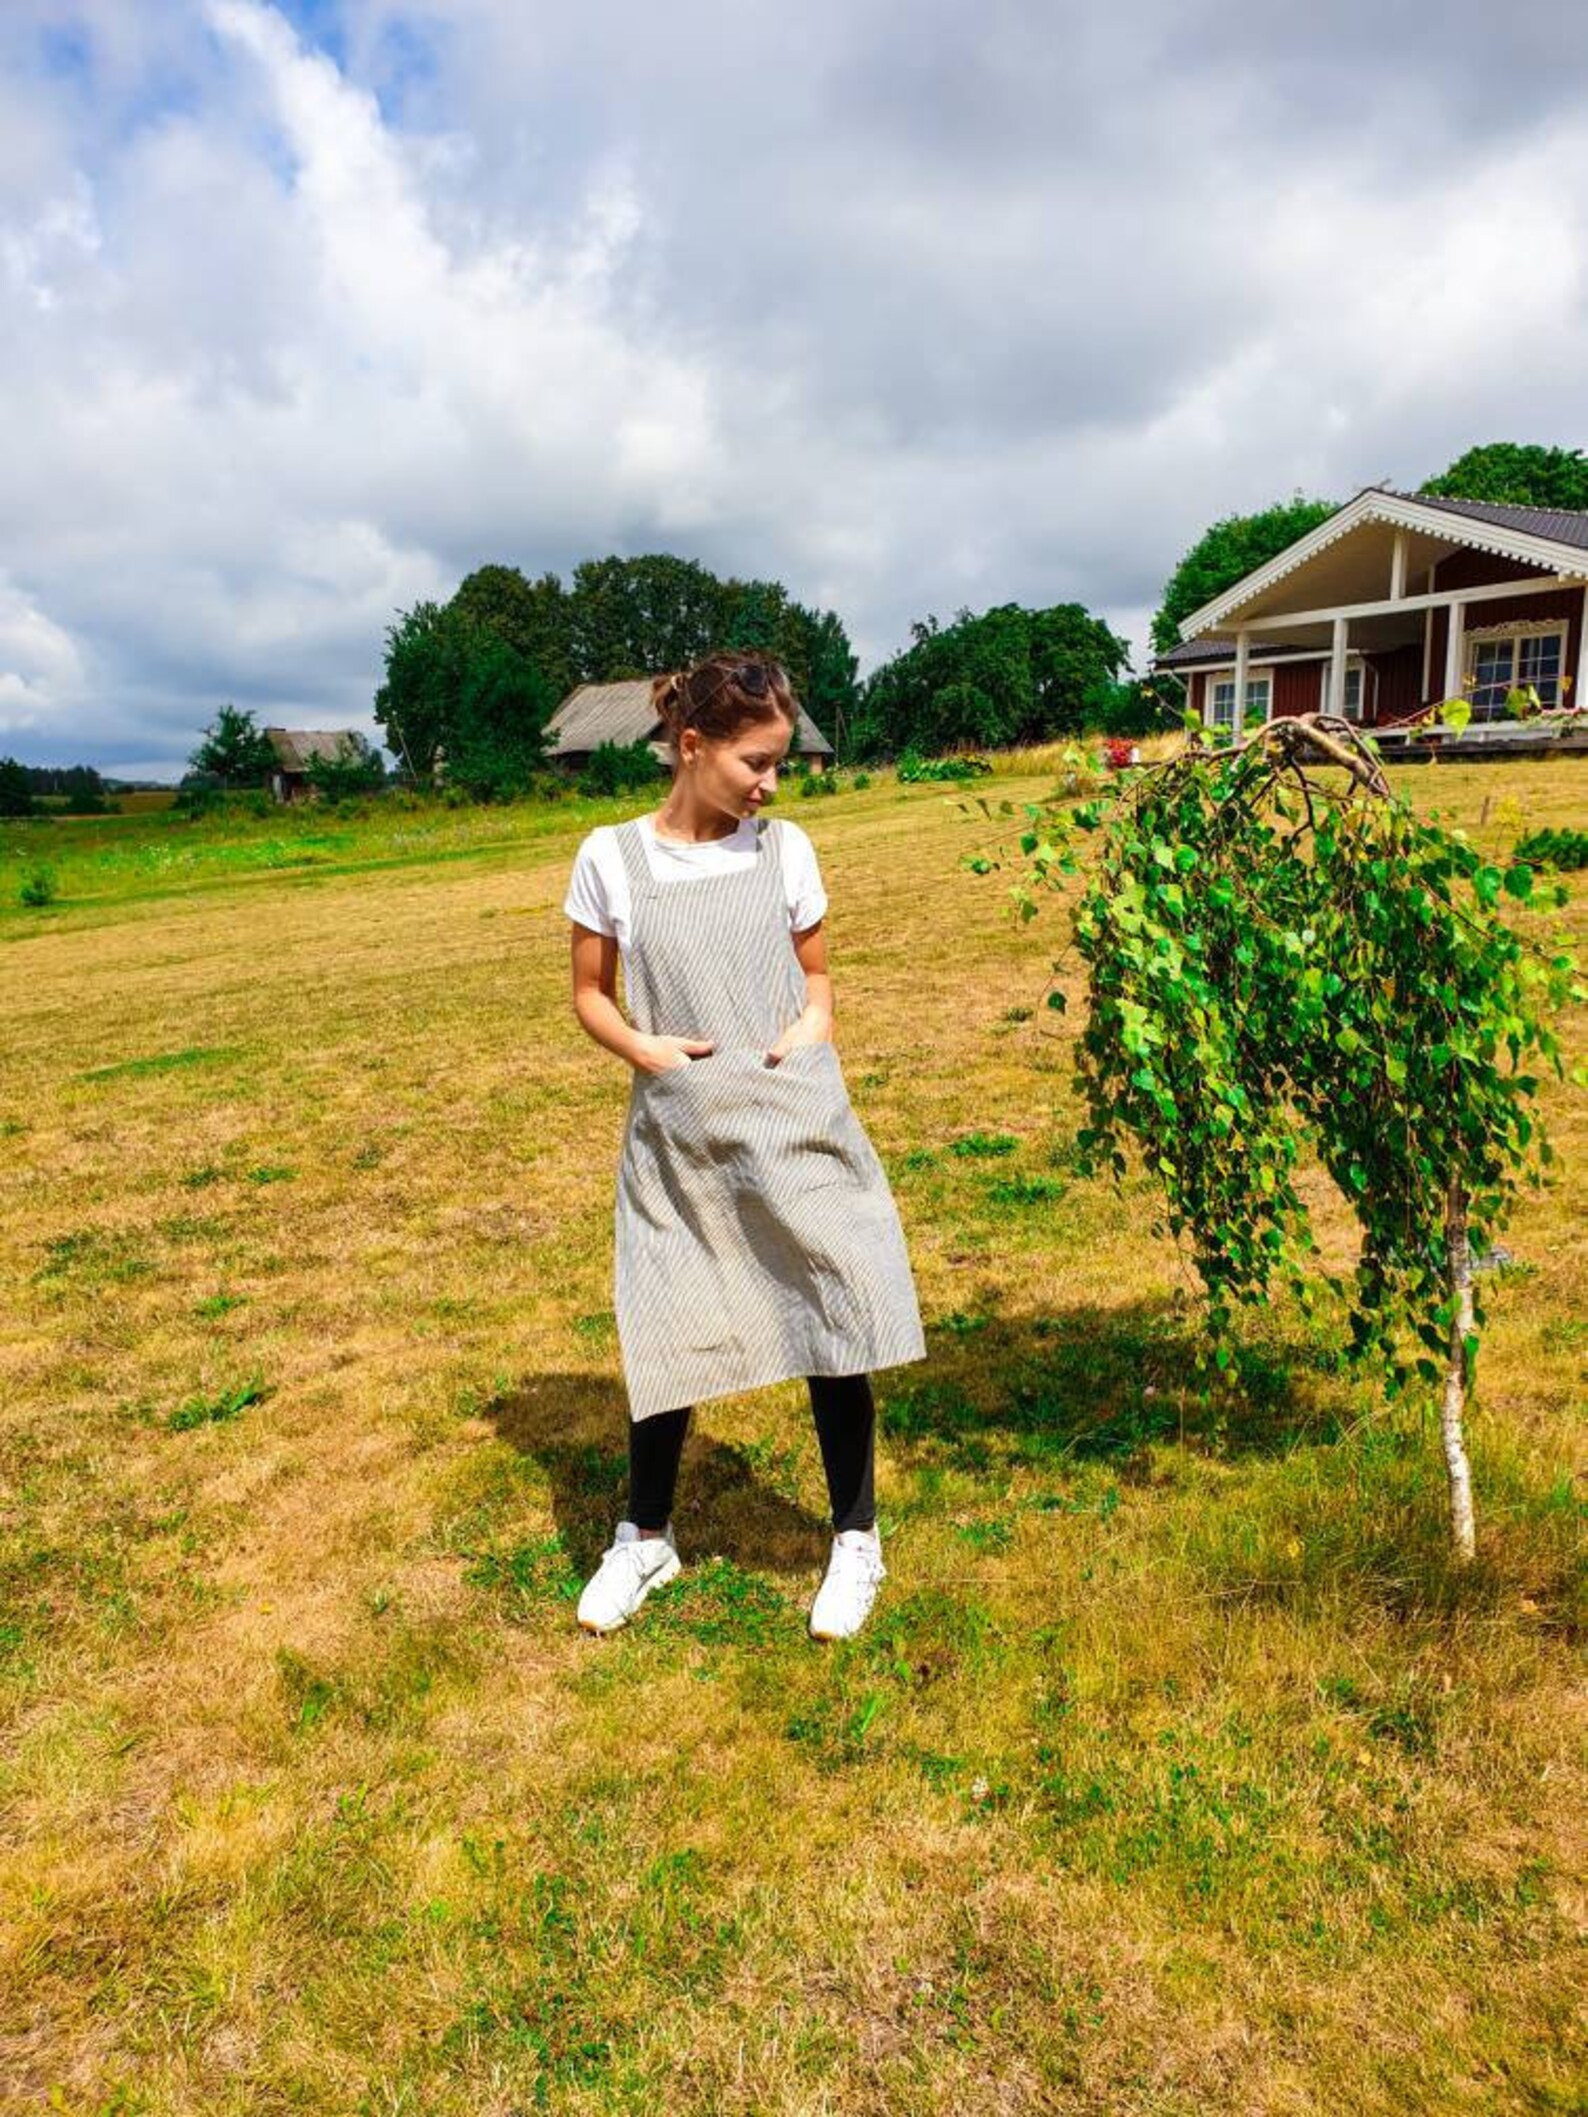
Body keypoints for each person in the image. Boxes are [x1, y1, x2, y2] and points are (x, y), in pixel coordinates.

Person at [562, 651, 926, 1641]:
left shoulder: (785, 849)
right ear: (692, 746)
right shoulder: (610, 858)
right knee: (666, 1319)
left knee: (831, 1307)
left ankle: (855, 1538)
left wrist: (812, 1028)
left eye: (779, 764)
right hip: (681, 1135)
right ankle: (646, 1537)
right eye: (756, 762)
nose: (771, 783)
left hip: (788, 1117)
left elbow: (818, 983)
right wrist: (645, 1050)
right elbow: (590, 994)